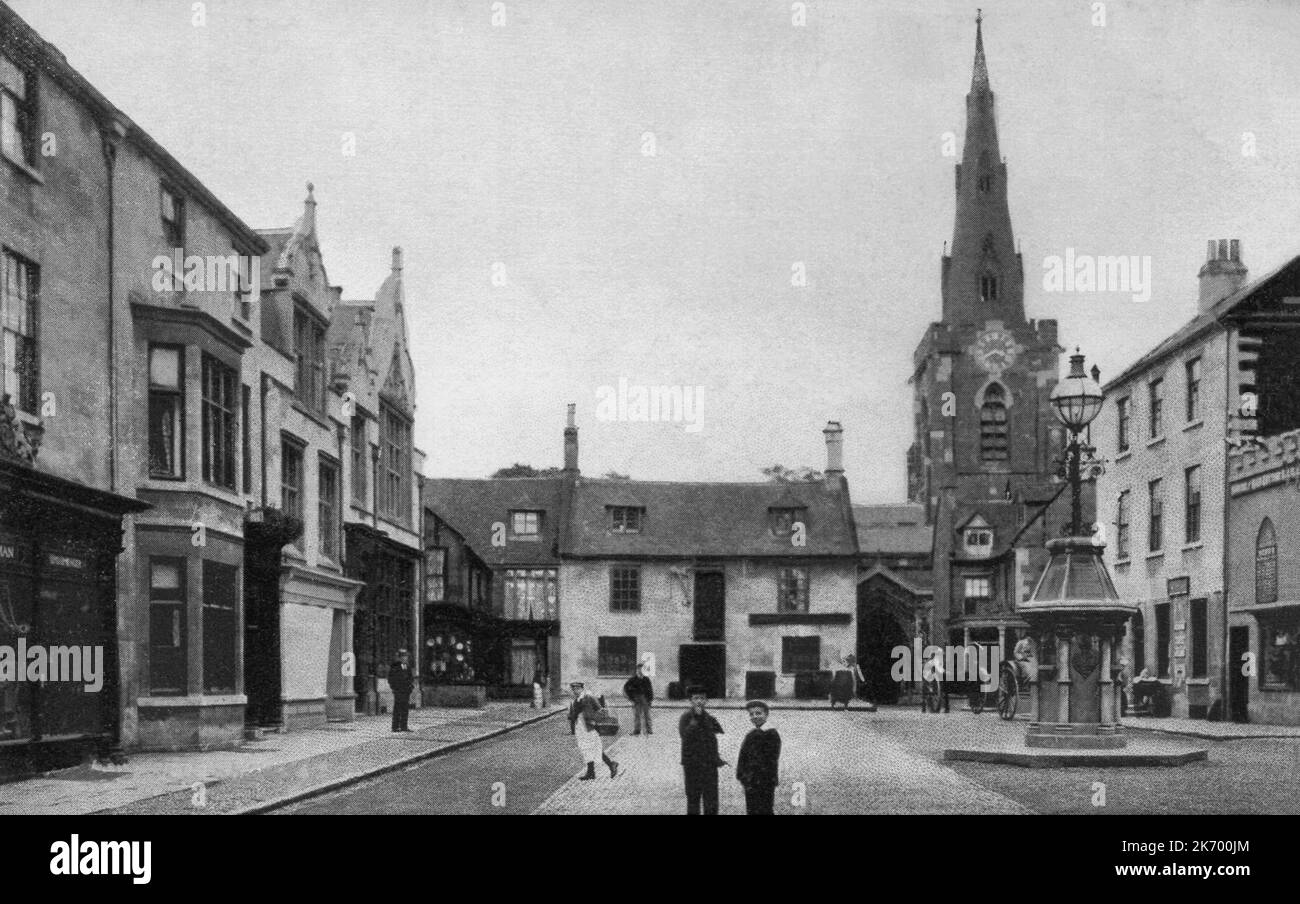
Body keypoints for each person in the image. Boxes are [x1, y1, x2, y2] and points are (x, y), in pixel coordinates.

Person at [679, 685, 725, 815]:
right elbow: (685, 736)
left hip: (709, 765)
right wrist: (696, 721)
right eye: (696, 698)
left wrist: (716, 757)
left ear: (706, 701)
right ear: (691, 701)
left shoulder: (709, 718)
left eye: (702, 698)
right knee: (693, 797)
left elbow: (716, 734)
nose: (699, 701)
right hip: (692, 765)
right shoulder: (686, 718)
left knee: (711, 798)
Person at [736, 700, 782, 815]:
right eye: (751, 714)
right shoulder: (752, 734)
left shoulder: (771, 734)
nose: (754, 716)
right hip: (750, 781)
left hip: (763, 781)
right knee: (752, 810)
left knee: (764, 809)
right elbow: (743, 756)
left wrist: (751, 777)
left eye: (758, 713)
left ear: (766, 714)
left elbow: (768, 760)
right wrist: (742, 776)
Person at [568, 680, 619, 780]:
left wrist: (594, 720)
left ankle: (611, 764)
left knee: (594, 748)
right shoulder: (576, 700)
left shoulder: (588, 697)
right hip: (580, 728)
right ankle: (591, 773)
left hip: (589, 727)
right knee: (585, 749)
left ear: (582, 689)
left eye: (578, 689)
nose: (575, 691)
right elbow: (574, 714)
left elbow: (601, 710)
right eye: (574, 689)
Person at [623, 664, 654, 735]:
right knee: (637, 715)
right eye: (639, 669)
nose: (641, 671)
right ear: (637, 670)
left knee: (647, 715)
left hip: (645, 699)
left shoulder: (646, 679)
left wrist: (650, 700)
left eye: (642, 669)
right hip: (636, 699)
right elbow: (626, 688)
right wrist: (632, 698)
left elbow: (650, 690)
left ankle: (649, 730)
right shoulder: (632, 680)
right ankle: (637, 730)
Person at [388, 648, 413, 732]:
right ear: (399, 658)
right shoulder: (395, 667)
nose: (405, 658)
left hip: (406, 691)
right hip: (398, 691)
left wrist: (410, 687)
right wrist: (394, 688)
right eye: (403, 656)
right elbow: (391, 679)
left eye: (406, 656)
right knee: (397, 709)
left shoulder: (407, 667)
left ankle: (404, 726)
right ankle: (395, 727)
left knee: (405, 709)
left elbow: (410, 678)